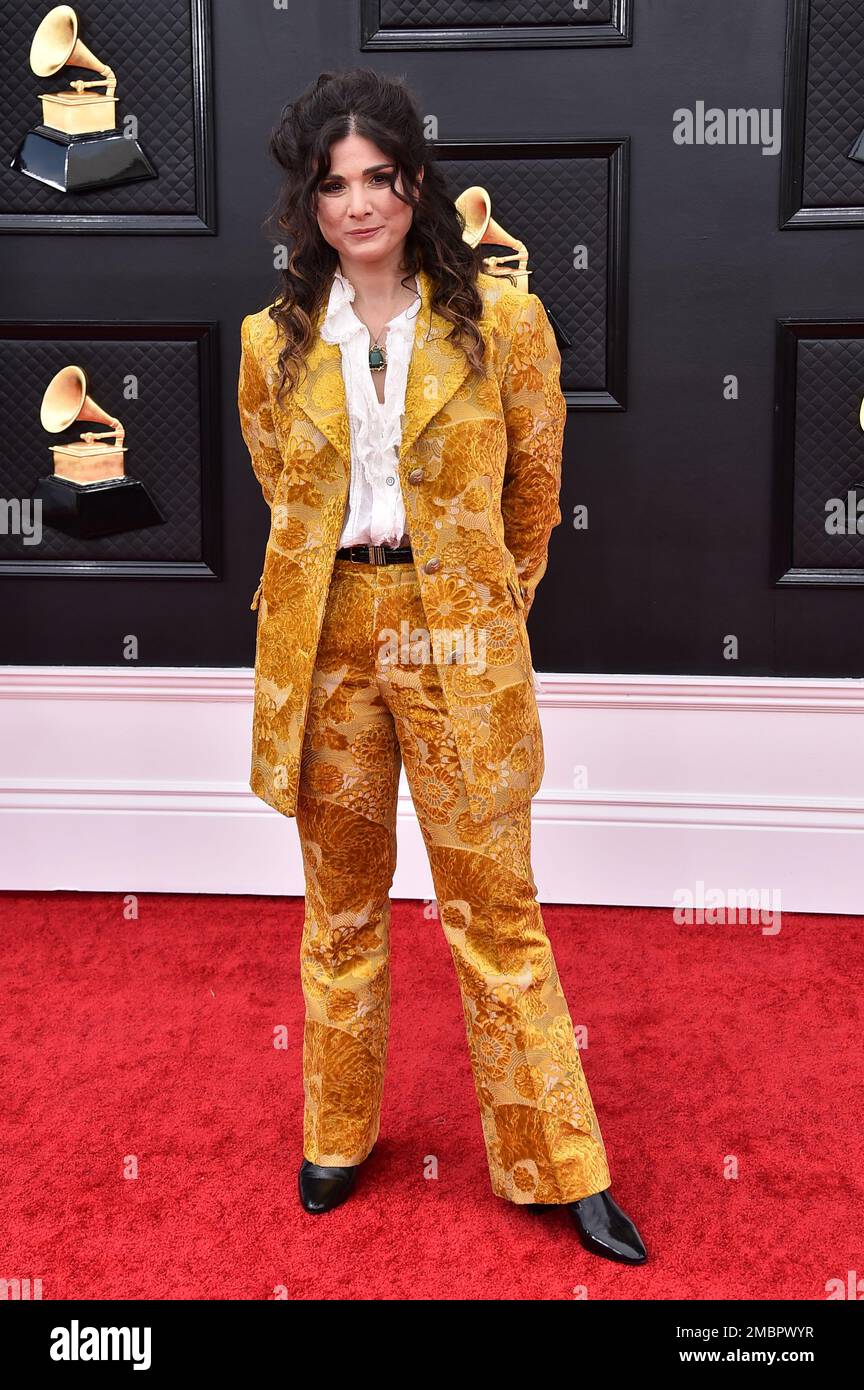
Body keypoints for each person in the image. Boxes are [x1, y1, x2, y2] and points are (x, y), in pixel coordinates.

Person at [238, 68, 647, 1265]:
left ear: (415, 184)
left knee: (496, 909)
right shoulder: (273, 339)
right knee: (340, 910)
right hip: (327, 639)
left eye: (377, 178)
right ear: (309, 203)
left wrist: (473, 602)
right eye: (332, 185)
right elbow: (284, 492)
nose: (357, 205)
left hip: (457, 632)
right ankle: (337, 1132)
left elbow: (536, 501)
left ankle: (559, 1163)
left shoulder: (506, 325)